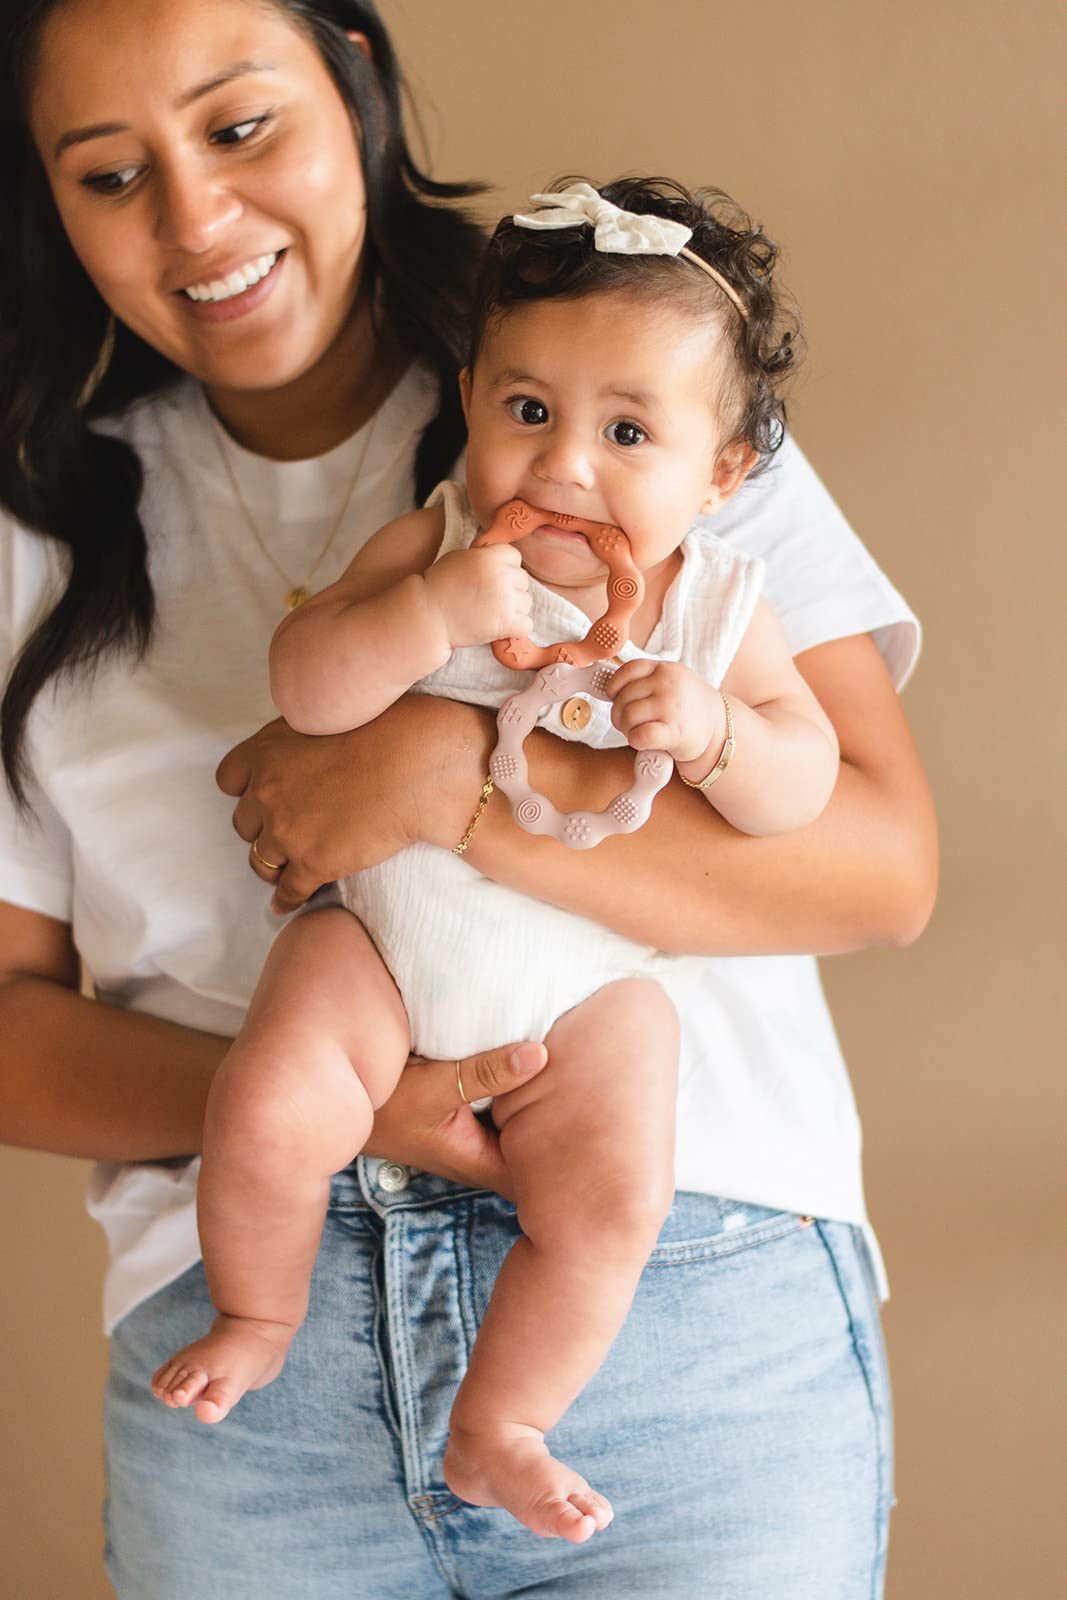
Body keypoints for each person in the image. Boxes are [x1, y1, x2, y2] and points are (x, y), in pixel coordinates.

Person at [0, 0, 936, 1596]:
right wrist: (336, 1107)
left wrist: (446, 781)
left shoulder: (637, 374)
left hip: (676, 1298)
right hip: (251, 1378)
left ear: (354, 77)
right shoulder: (39, 523)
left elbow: (880, 872)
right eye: (108, 174)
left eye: (238, 128)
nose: (197, 220)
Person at [150, 177, 841, 1546]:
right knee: (269, 1102)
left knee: (611, 1195)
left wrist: (712, 738)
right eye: (529, 412)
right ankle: (259, 1309)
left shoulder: (714, 605)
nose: (565, 465)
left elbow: (803, 783)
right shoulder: (444, 538)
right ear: (472, 401)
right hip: (378, 946)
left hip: (582, 984)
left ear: (720, 474)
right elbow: (310, 685)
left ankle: (504, 1421)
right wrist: (424, 613)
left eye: (627, 431)